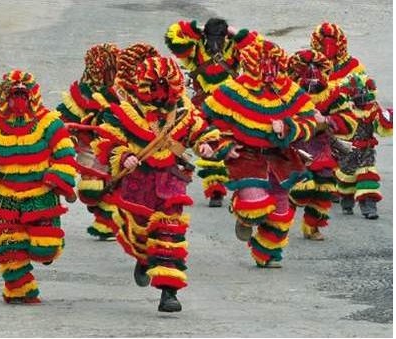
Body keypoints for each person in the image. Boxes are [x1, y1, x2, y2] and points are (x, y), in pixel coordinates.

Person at [93, 56, 218, 312]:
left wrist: (205, 144)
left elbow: (200, 131)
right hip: (138, 183)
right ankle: (144, 258)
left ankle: (169, 292)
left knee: (170, 232)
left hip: (171, 180)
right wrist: (124, 156)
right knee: (140, 233)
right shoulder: (127, 111)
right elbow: (110, 141)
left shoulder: (184, 111)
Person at [200, 34, 322, 268]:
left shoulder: (289, 90)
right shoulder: (232, 91)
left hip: (281, 157)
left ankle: (266, 254)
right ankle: (243, 213)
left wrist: (288, 127)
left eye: (274, 65)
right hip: (246, 156)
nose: (269, 71)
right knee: (254, 206)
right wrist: (223, 146)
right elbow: (207, 122)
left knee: (281, 211)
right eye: (264, 65)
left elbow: (309, 120)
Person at [0, 70, 78, 304]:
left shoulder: (50, 122)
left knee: (46, 249)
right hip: (7, 198)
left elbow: (65, 153)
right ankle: (20, 290)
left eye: (23, 94)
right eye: (13, 94)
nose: (18, 100)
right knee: (11, 248)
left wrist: (57, 176)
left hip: (41, 194)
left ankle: (47, 247)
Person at [165, 18, 256, 208]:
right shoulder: (195, 47)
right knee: (208, 139)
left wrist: (236, 33)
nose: (216, 42)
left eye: (220, 37)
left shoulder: (234, 47)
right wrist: (193, 29)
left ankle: (241, 185)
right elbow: (173, 37)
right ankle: (215, 187)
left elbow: (258, 49)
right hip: (204, 103)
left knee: (237, 142)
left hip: (229, 104)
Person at [310, 22, 391, 219]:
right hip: (326, 121)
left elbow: (366, 90)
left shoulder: (353, 66)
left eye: (332, 43)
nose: (328, 49)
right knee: (338, 165)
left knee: (365, 169)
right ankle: (336, 191)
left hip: (354, 121)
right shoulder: (312, 67)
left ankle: (367, 203)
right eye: (323, 44)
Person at [286, 49, 359, 240]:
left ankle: (312, 227)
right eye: (306, 70)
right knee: (303, 185)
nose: (312, 74)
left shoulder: (333, 93)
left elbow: (349, 120)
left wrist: (326, 120)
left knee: (324, 187)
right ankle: (281, 221)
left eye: (317, 68)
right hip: (296, 145)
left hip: (322, 146)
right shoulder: (285, 92)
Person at [55, 43, 120, 241]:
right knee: (90, 187)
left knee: (109, 183)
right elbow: (65, 117)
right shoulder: (82, 92)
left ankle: (108, 222)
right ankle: (105, 218)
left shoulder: (123, 90)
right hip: (88, 146)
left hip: (115, 146)